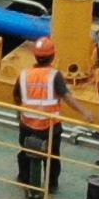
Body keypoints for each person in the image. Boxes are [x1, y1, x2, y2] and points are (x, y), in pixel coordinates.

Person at [14, 34, 62, 190]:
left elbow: (16, 95)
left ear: (35, 55)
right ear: (53, 56)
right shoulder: (55, 76)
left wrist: (20, 113)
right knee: (52, 156)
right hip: (50, 126)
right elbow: (66, 96)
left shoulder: (24, 75)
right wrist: (84, 112)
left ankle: (24, 178)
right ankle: (51, 185)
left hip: (28, 124)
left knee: (26, 152)